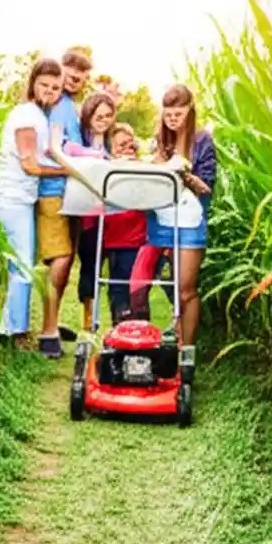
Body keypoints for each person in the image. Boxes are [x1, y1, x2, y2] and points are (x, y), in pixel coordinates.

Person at [128, 85, 216, 349]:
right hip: (161, 220)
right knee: (142, 277)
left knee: (185, 288)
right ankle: (158, 333)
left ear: (189, 111)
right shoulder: (160, 140)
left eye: (179, 113)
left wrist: (184, 175)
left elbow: (207, 187)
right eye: (169, 114)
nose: (173, 119)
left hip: (190, 220)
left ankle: (185, 349)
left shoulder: (202, 141)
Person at [0, 58, 66, 353]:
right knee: (22, 266)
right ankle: (13, 332)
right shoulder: (26, 114)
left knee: (21, 264)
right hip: (14, 200)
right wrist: (66, 170)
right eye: (44, 85)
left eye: (55, 88)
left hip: (23, 200)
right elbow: (30, 166)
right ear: (33, 83)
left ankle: (9, 328)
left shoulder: (38, 114)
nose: (49, 92)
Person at [35, 48, 92, 356]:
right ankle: (47, 332)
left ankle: (53, 323)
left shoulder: (70, 105)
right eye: (69, 76)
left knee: (65, 261)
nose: (73, 83)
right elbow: (54, 148)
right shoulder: (58, 105)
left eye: (79, 79)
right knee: (60, 258)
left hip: (68, 192)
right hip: (53, 189)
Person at [62, 92, 117, 331]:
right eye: (98, 115)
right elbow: (69, 149)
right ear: (88, 115)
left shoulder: (112, 141)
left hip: (111, 213)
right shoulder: (81, 139)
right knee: (90, 263)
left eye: (107, 116)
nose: (102, 120)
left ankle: (115, 320)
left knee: (112, 265)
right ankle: (88, 320)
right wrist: (97, 156)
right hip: (87, 214)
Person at [102, 123, 148, 324]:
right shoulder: (108, 172)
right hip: (116, 241)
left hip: (140, 240)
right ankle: (120, 327)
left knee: (138, 288)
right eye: (121, 145)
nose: (128, 148)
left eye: (131, 144)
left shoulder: (145, 169)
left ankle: (140, 327)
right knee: (119, 287)